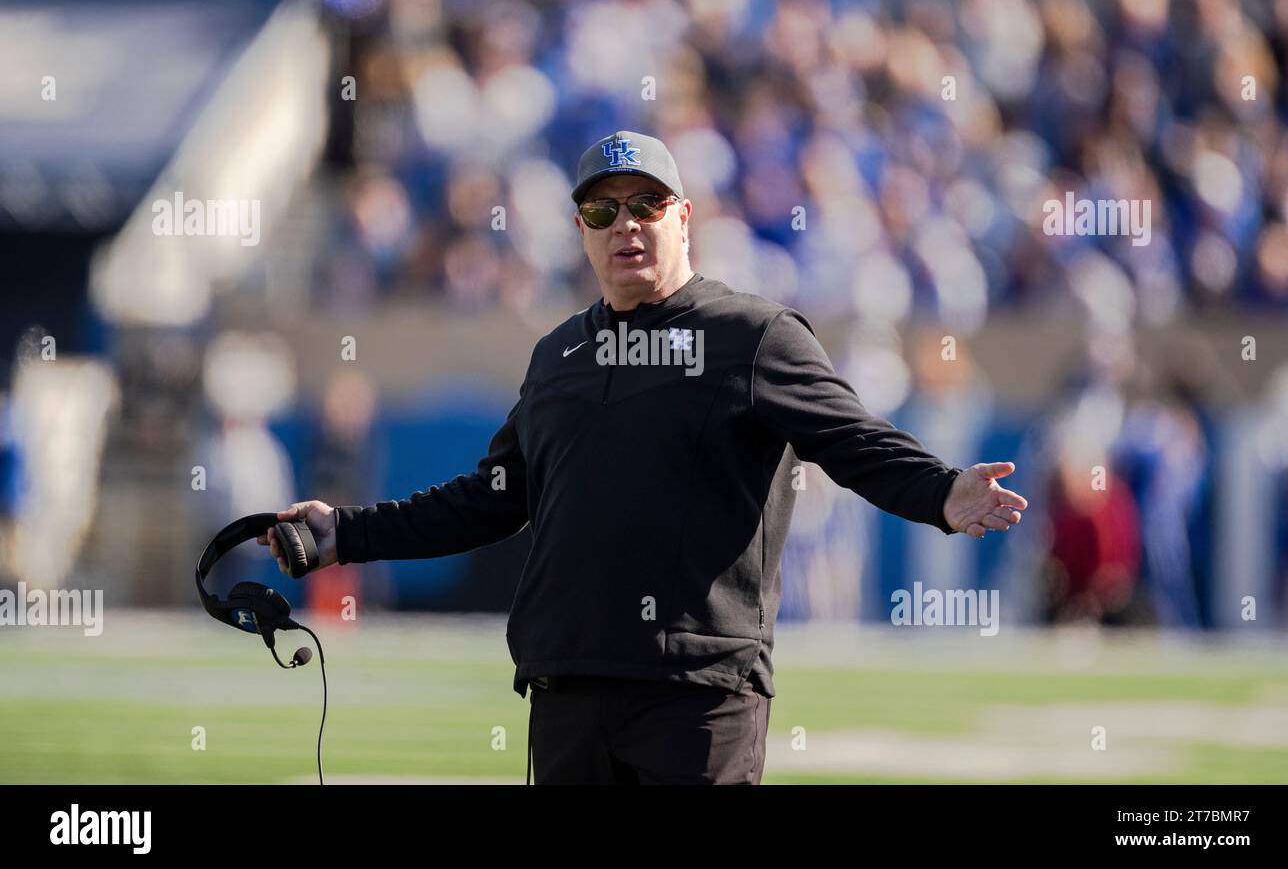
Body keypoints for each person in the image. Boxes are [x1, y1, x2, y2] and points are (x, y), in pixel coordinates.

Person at [259, 130, 1029, 784]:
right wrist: (346, 533)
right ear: (582, 231)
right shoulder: (559, 353)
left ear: (684, 217)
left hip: (697, 691)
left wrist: (941, 492)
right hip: (569, 687)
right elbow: (490, 496)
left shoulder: (752, 337)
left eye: (646, 205)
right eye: (603, 209)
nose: (625, 224)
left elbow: (852, 440)